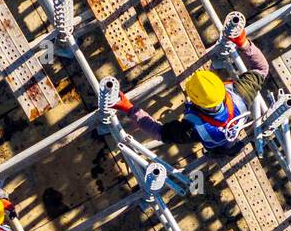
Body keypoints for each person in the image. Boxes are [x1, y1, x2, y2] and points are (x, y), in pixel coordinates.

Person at [113, 23, 271, 154]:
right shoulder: (240, 93)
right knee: (229, 147)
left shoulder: (195, 129)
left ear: (195, 101)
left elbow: (158, 132)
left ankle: (221, 153)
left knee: (219, 150)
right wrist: (242, 42)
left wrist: (129, 109)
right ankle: (231, 149)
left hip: (217, 143)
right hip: (233, 127)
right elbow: (261, 69)